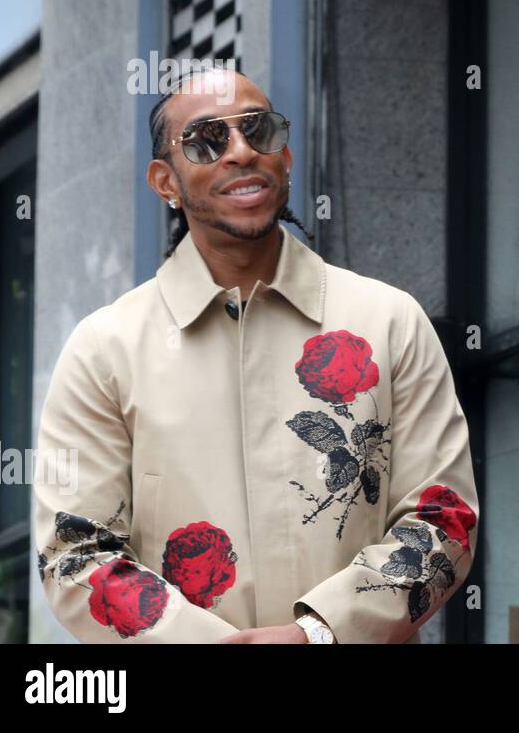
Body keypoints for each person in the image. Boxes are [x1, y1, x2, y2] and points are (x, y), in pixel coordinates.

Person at [33, 68, 477, 642]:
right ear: (165, 182)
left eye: (257, 130)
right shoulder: (104, 351)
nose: (241, 151)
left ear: (285, 157)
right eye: (207, 140)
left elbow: (444, 518)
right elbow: (75, 552)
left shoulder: (390, 321)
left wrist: (318, 633)